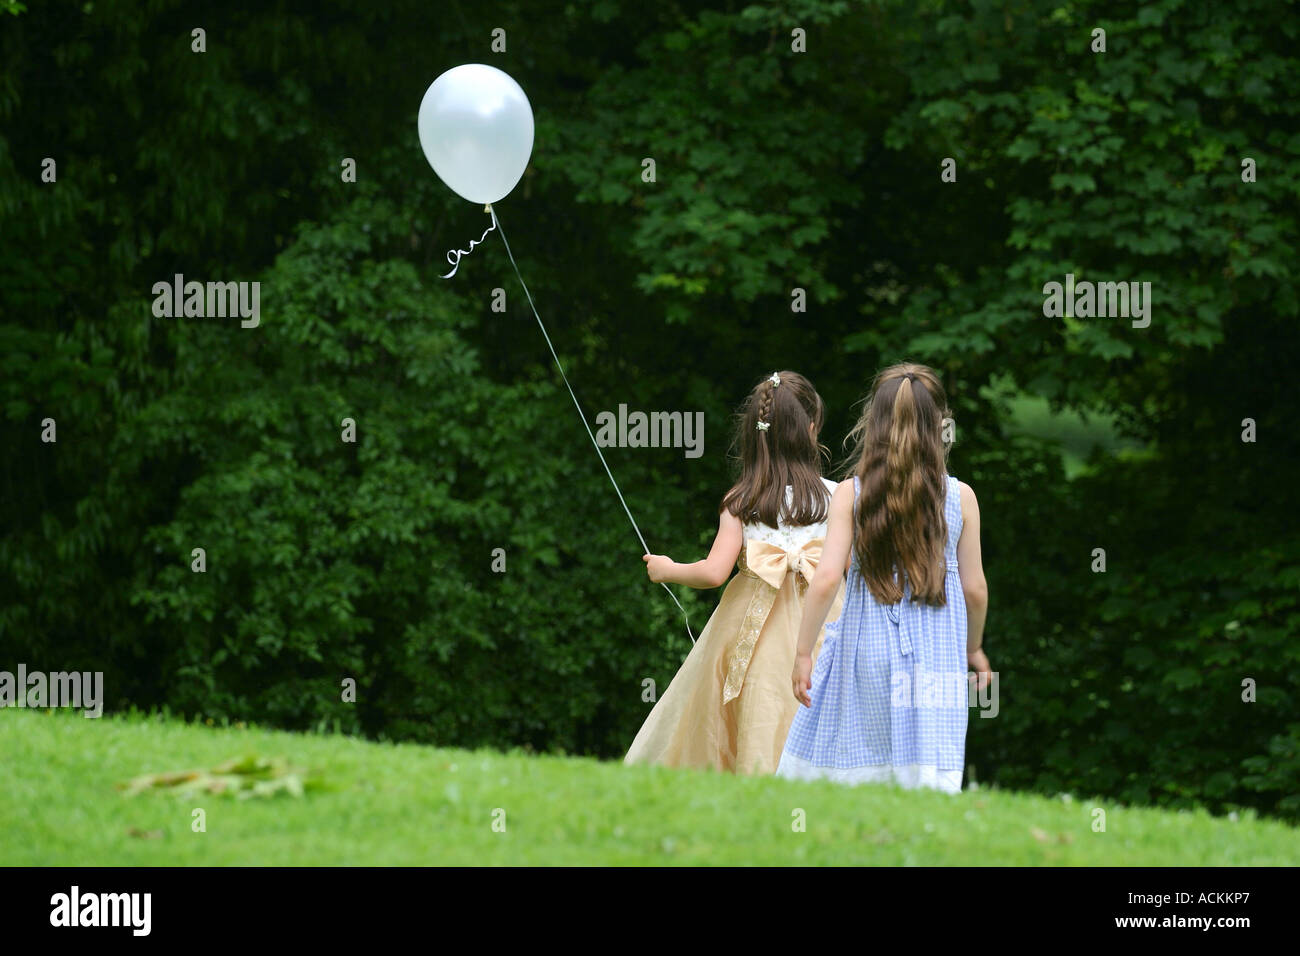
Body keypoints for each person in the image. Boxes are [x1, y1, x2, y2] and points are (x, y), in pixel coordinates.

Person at [776, 363, 991, 793]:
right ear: (940, 426)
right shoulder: (962, 498)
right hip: (935, 662)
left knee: (858, 768)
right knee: (922, 779)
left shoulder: (851, 494)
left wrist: (804, 654)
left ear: (872, 422)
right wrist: (975, 648)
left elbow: (826, 579)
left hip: (865, 654)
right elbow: (975, 590)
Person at [626, 371, 844, 774]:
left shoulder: (743, 499)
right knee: (822, 700)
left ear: (756, 433)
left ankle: (756, 777)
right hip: (825, 622)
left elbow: (713, 573)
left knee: (759, 702)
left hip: (754, 627)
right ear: (811, 430)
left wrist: (668, 569)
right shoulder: (838, 498)